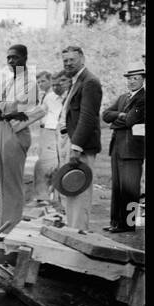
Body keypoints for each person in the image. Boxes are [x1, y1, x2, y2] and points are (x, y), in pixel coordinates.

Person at [0, 43, 34, 230]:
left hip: (16, 133)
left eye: (15, 57)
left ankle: (13, 225)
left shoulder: (30, 82)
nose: (11, 61)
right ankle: (6, 224)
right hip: (2, 129)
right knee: (4, 180)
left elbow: (23, 109)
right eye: (9, 58)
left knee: (13, 182)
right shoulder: (10, 81)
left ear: (25, 58)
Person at [57, 44, 103, 231]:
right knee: (70, 190)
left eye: (72, 60)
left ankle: (78, 234)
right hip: (70, 140)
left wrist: (76, 147)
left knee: (79, 192)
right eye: (65, 61)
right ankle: (72, 232)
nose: (68, 64)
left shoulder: (90, 82)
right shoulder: (76, 81)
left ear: (82, 59)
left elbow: (87, 117)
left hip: (80, 145)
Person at [101, 67, 146, 233]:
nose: (131, 81)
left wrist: (116, 120)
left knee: (131, 189)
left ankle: (128, 223)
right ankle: (116, 222)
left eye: (135, 78)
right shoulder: (123, 97)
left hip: (132, 150)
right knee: (118, 188)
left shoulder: (144, 98)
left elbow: (130, 121)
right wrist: (119, 116)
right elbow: (105, 114)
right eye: (129, 78)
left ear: (142, 79)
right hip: (117, 148)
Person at [32, 71, 64, 208]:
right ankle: (51, 195)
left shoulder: (52, 96)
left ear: (50, 81)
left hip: (51, 130)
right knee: (48, 163)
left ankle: (44, 196)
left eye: (43, 81)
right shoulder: (45, 96)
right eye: (38, 82)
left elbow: (55, 116)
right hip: (45, 130)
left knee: (45, 164)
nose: (40, 84)